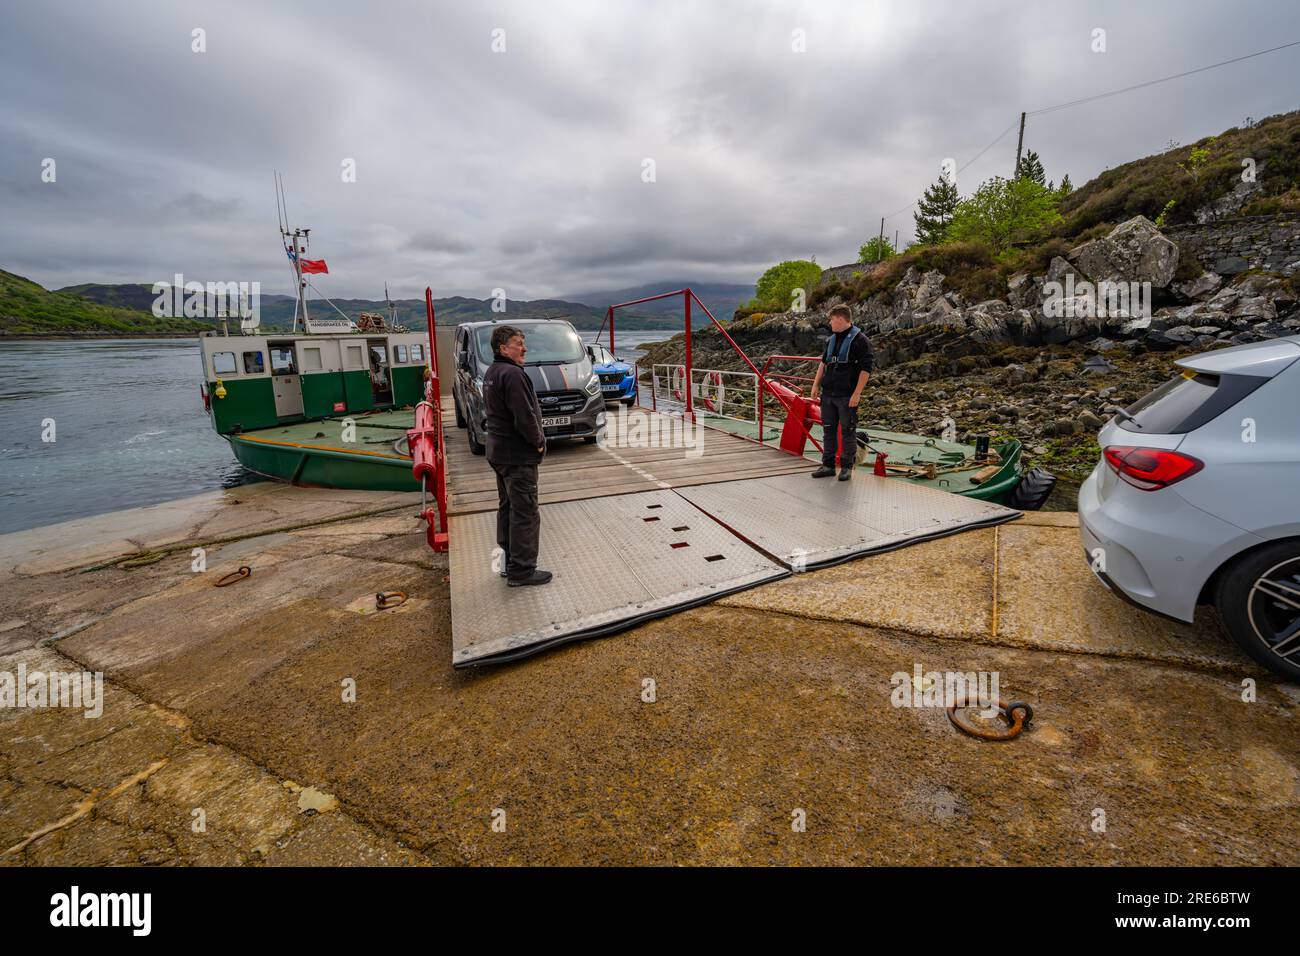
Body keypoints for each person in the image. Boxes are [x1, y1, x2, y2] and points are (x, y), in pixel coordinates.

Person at [483, 325, 553, 586]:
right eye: (517, 343)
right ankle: (522, 571)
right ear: (503, 348)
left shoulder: (492, 372)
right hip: (517, 456)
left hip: (498, 452)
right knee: (525, 512)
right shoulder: (513, 375)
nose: (524, 348)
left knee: (508, 508)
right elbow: (525, 417)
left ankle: (509, 563)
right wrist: (538, 443)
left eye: (523, 343)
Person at [808, 304, 873, 481]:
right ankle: (828, 465)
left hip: (847, 396)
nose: (830, 323)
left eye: (831, 319)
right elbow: (823, 363)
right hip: (828, 394)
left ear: (840, 318)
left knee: (848, 431)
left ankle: (846, 468)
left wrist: (857, 393)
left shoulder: (861, 341)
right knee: (828, 431)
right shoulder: (831, 340)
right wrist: (815, 385)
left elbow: (866, 369)